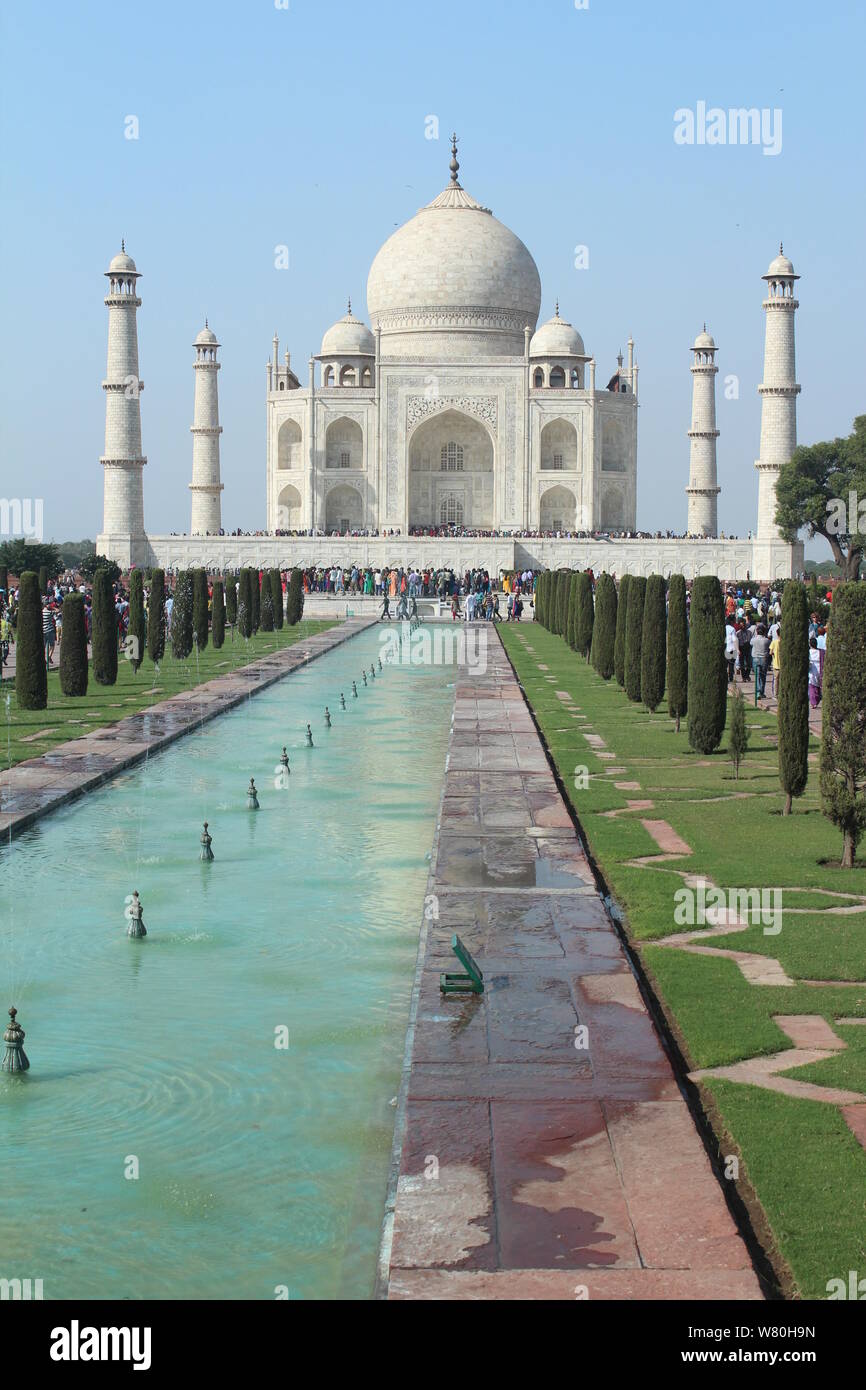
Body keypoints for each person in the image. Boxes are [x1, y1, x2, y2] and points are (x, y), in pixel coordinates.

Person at [751, 623, 770, 700]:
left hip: (755, 658)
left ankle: (758, 692)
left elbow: (750, 643)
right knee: (763, 676)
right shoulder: (767, 640)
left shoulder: (753, 640)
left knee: (757, 676)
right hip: (764, 658)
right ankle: (761, 691)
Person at [808, 637, 822, 708]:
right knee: (817, 687)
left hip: (812, 670)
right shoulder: (820, 652)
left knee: (812, 687)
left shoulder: (809, 652)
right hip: (819, 670)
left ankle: (813, 702)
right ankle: (816, 700)